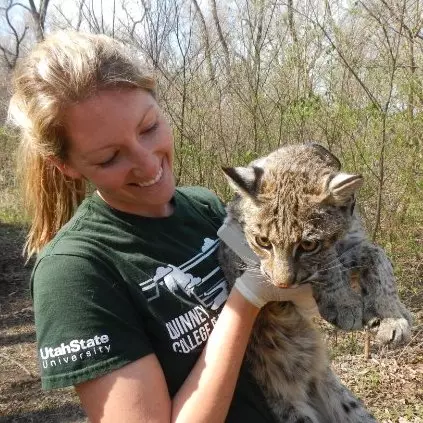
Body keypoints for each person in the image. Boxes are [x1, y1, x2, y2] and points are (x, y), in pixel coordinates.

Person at [9, 31, 305, 423]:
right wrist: (246, 299)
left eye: (149, 128)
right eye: (110, 156)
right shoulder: (74, 272)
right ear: (65, 165)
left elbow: (291, 310)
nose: (149, 165)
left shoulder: (203, 205)